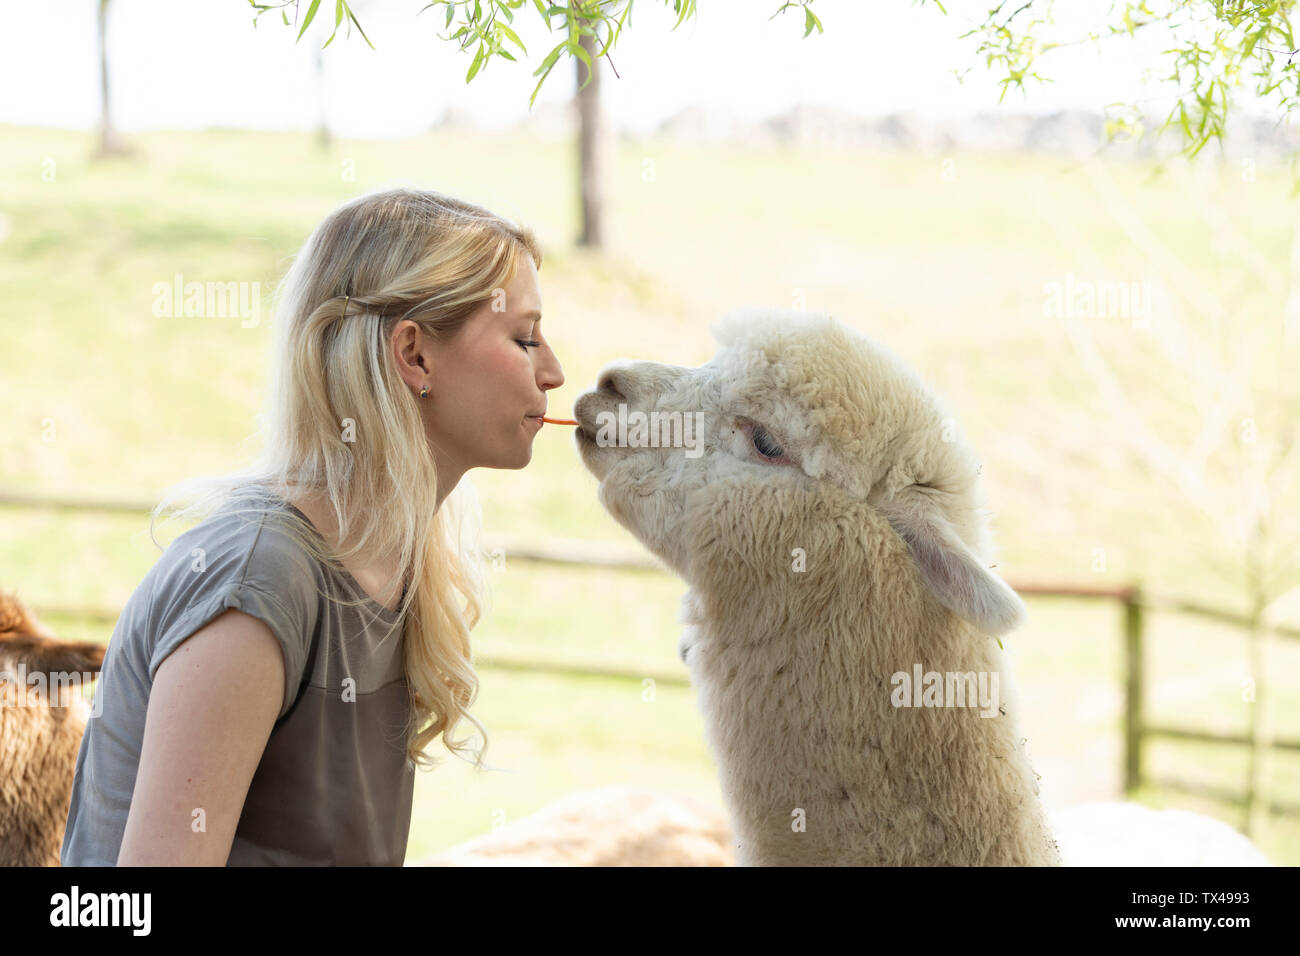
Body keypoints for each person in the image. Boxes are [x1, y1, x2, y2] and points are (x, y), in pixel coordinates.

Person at [60, 187, 564, 865]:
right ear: (414, 356)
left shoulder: (398, 565)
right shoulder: (257, 581)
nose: (554, 372)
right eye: (524, 337)